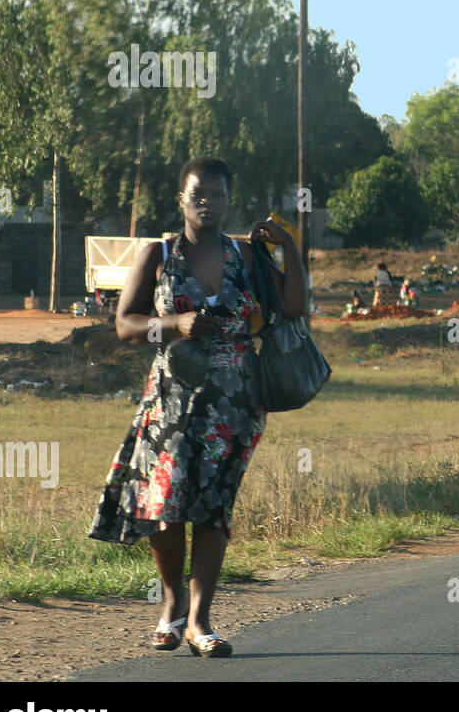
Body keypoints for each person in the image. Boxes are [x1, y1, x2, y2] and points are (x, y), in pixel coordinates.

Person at [88, 156, 307, 658]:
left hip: (235, 402)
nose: (208, 203)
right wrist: (174, 326)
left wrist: (288, 249)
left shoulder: (248, 257)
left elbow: (294, 307)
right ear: (181, 201)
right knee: (165, 507)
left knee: (213, 510)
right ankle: (171, 608)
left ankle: (200, 621)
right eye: (198, 195)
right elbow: (125, 325)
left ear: (231, 201)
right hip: (170, 399)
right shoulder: (157, 254)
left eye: (218, 195)